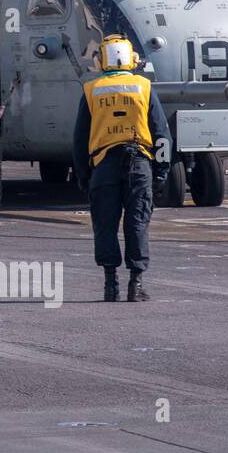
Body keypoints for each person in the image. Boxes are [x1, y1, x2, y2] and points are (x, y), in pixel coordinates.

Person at [72, 35, 170, 302]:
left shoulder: (91, 90)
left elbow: (80, 139)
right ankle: (135, 285)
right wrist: (161, 172)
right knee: (137, 222)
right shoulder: (143, 87)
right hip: (139, 164)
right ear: (131, 59)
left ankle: (110, 284)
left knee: (105, 225)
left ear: (101, 59)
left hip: (103, 165)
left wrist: (82, 174)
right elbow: (162, 134)